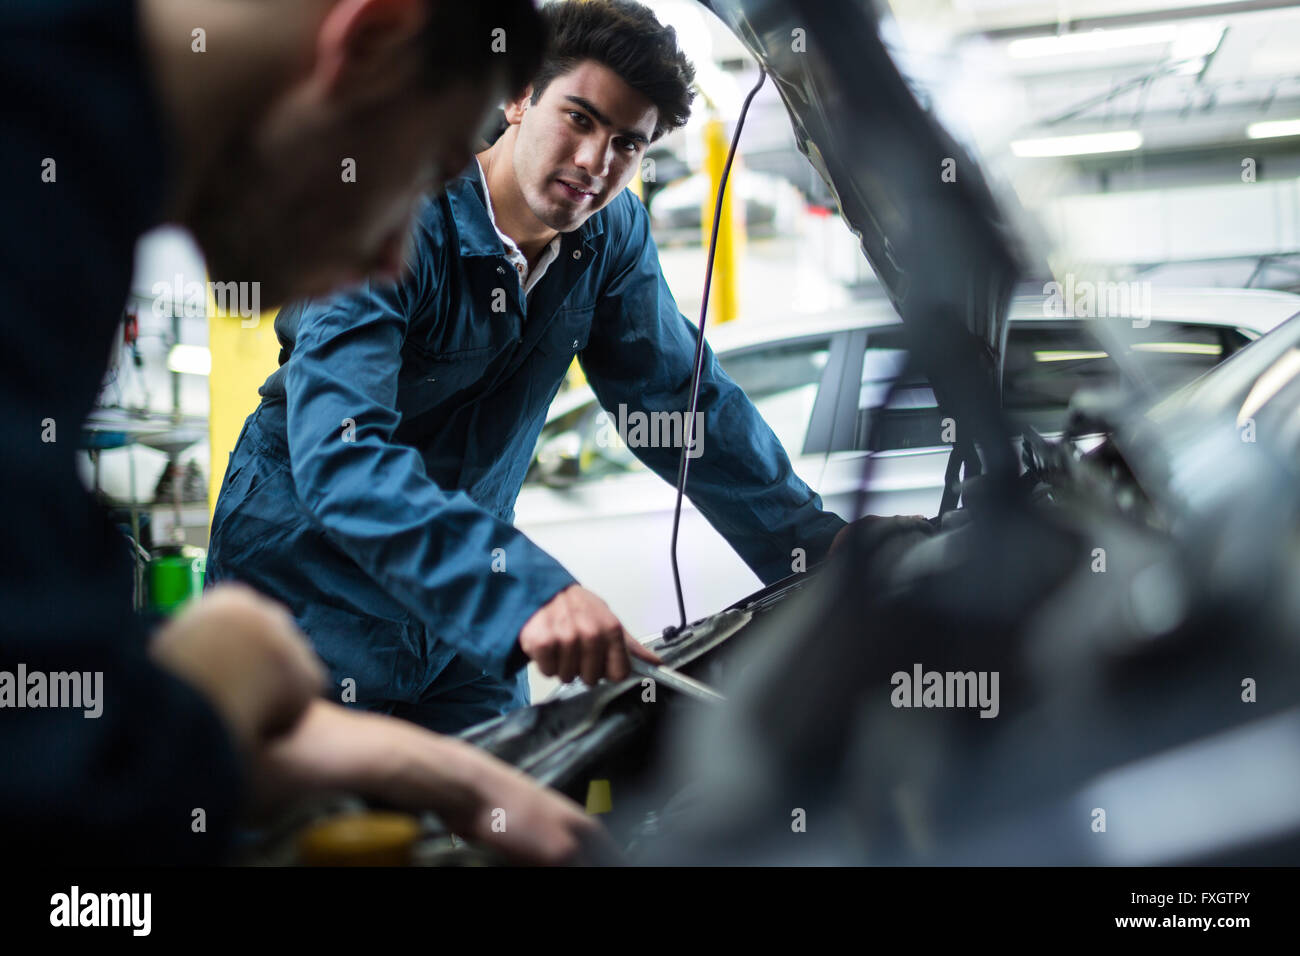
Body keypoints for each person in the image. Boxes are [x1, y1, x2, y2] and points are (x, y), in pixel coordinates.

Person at [2, 0, 612, 865]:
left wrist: (448, 774)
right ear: (368, 42)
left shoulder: (71, 147)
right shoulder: (37, 181)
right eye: (425, 172)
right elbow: (55, 784)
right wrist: (219, 675)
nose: (393, 259)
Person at [208, 0, 850, 735]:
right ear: (518, 97)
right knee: (323, 836)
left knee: (514, 813)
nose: (594, 164)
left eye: (626, 145)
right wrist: (526, 596)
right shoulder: (398, 215)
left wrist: (816, 542)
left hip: (459, 623)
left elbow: (678, 403)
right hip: (307, 593)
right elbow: (344, 457)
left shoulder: (609, 235)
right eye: (579, 118)